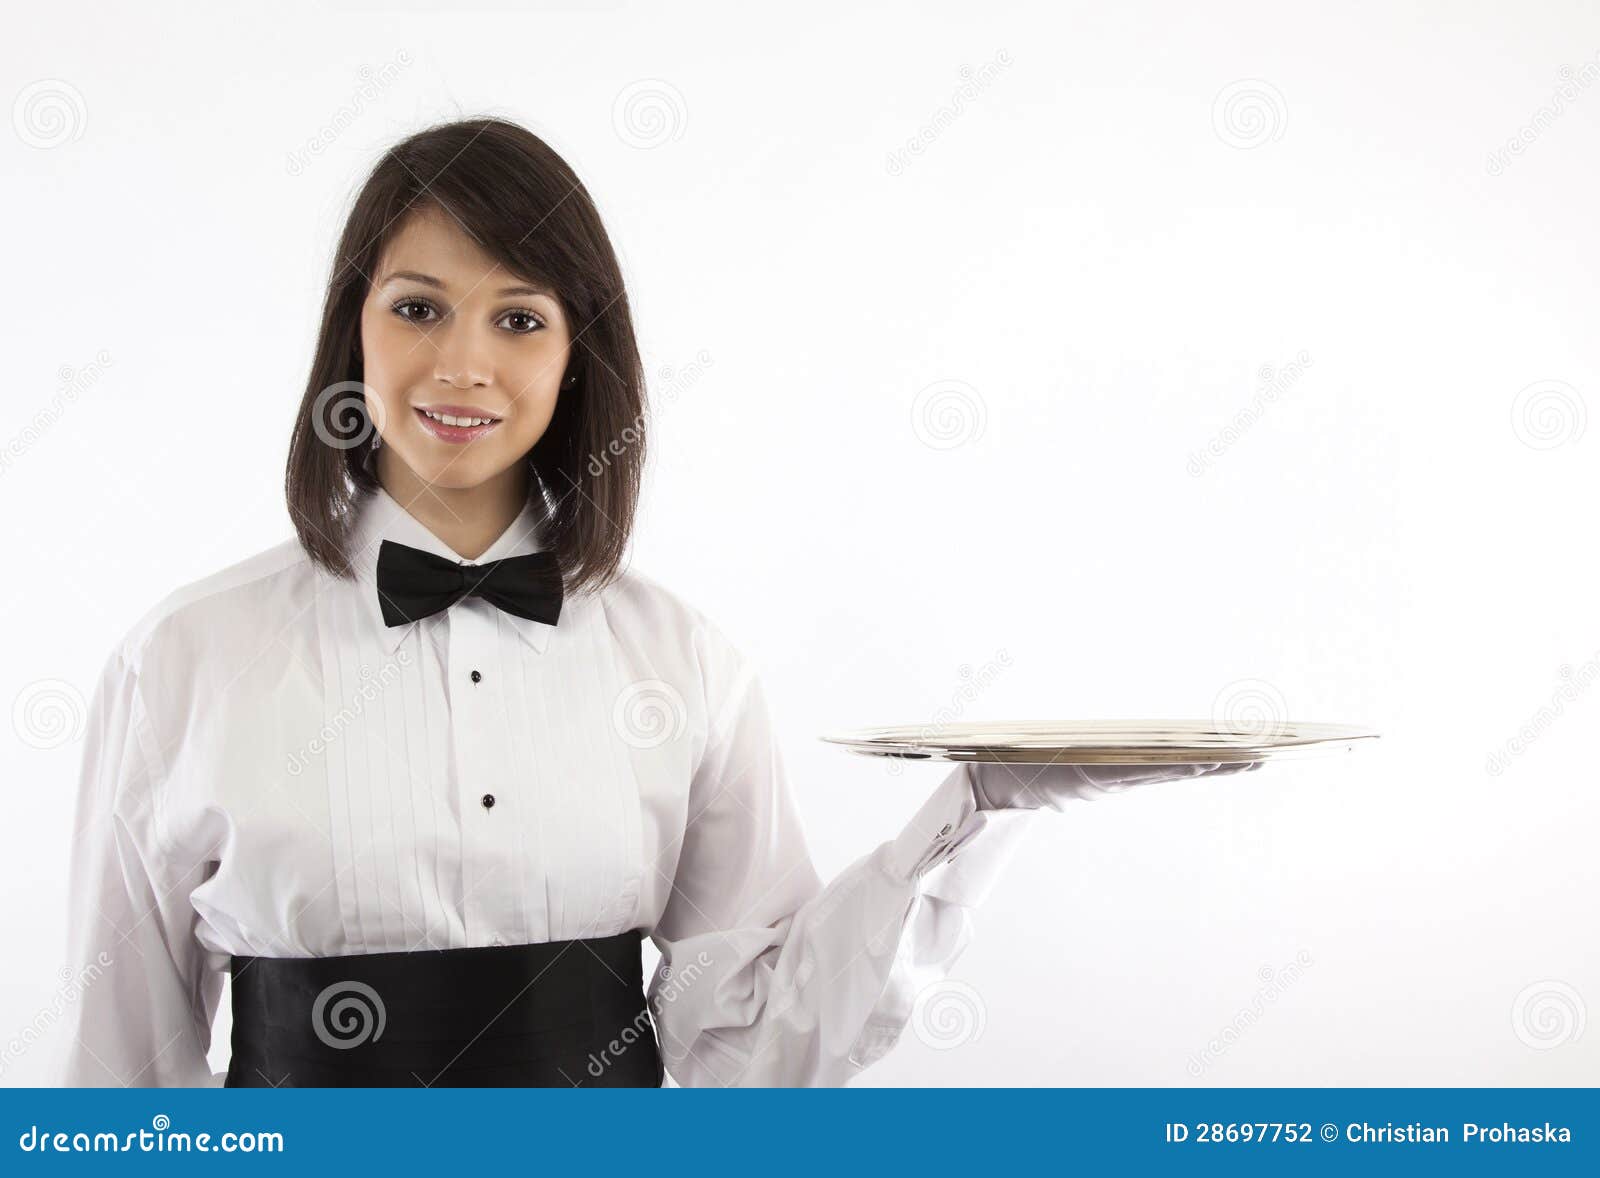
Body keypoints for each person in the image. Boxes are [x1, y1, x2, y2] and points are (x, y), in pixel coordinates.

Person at [54, 116, 1254, 1088]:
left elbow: (756, 1054)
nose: (463, 364)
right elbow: (117, 1067)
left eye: (518, 318)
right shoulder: (184, 661)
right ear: (351, 331)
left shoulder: (683, 665)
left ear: (579, 356)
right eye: (417, 306)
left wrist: (978, 806)